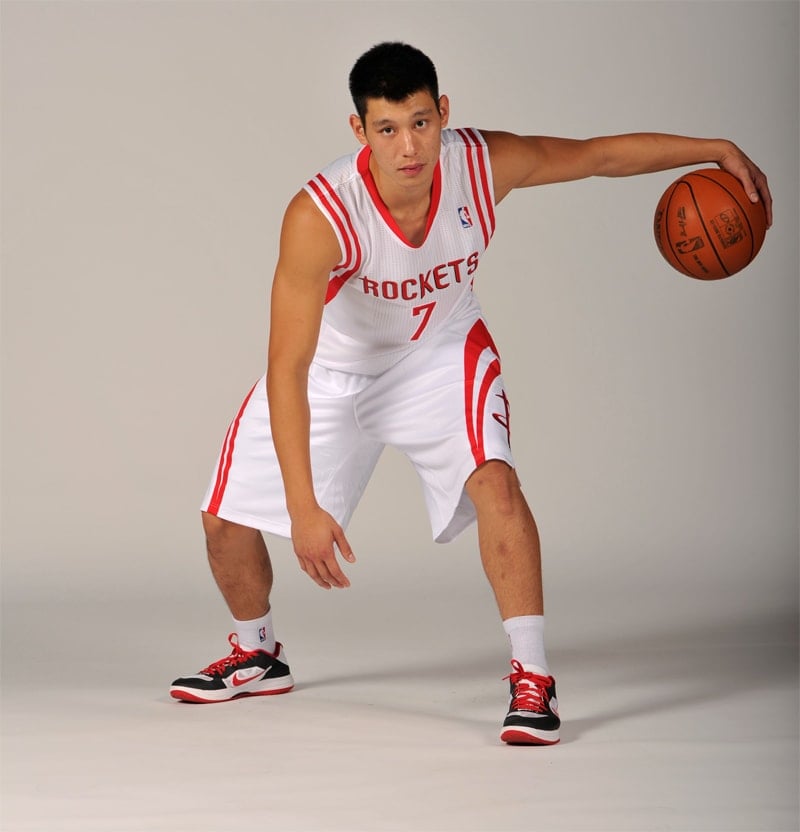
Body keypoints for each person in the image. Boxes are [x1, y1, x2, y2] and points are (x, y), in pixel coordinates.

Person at [169, 42, 772, 745]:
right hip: (332, 368)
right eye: (388, 129)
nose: (408, 146)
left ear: (443, 114)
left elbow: (598, 155)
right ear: (359, 131)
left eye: (421, 123)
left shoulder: (483, 163)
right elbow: (287, 366)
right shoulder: (319, 215)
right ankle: (258, 652)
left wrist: (715, 147)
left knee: (497, 484)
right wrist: (304, 510)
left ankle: (532, 678)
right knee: (223, 526)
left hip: (439, 352)